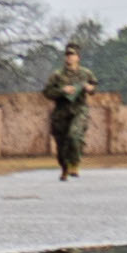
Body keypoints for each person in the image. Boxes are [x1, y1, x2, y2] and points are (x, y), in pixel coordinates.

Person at [44, 42, 97, 180]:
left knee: (74, 136)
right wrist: (62, 91)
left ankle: (74, 164)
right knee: (61, 145)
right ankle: (65, 167)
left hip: (79, 109)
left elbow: (93, 87)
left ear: (78, 57)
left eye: (72, 55)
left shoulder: (85, 73)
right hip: (61, 112)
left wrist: (89, 89)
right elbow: (47, 92)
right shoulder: (57, 75)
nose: (69, 57)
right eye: (67, 55)